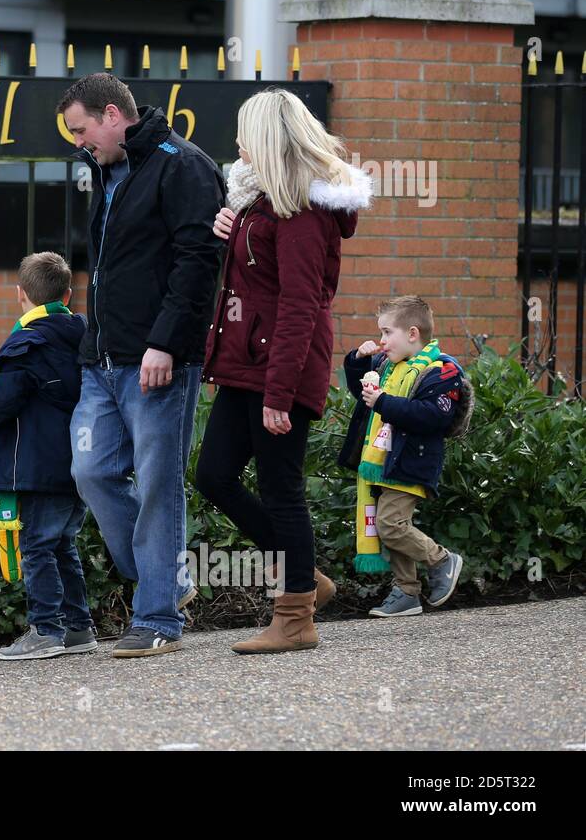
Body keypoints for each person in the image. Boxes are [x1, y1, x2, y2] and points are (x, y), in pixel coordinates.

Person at [195, 87, 372, 654]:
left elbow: (300, 305)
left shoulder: (302, 211)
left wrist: (280, 392)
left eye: (246, 131)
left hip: (282, 369)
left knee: (280, 488)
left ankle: (295, 619)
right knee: (214, 475)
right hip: (247, 364)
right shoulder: (259, 200)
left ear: (267, 140)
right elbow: (253, 279)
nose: (238, 142)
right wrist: (228, 229)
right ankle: (306, 578)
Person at [58, 73, 225, 658]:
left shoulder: (184, 165)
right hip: (101, 358)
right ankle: (171, 579)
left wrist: (166, 343)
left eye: (81, 130)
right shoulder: (107, 167)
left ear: (112, 114)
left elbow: (199, 261)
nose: (79, 143)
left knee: (158, 486)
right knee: (90, 472)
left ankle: (156, 616)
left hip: (157, 361)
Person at [0, 252, 93, 660]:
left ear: (20, 294)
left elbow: (2, 402)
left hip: (39, 466)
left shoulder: (26, 344)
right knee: (62, 545)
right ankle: (78, 628)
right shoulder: (84, 335)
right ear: (68, 294)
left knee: (36, 546)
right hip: (80, 462)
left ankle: (46, 630)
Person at [338, 295, 471, 617]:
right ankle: (407, 593)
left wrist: (382, 401)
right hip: (383, 460)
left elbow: (431, 417)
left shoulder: (440, 371)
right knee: (393, 524)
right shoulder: (388, 366)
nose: (381, 341)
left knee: (390, 524)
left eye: (387, 333)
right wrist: (357, 361)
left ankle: (441, 560)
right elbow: (364, 396)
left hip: (412, 459)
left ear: (412, 334)